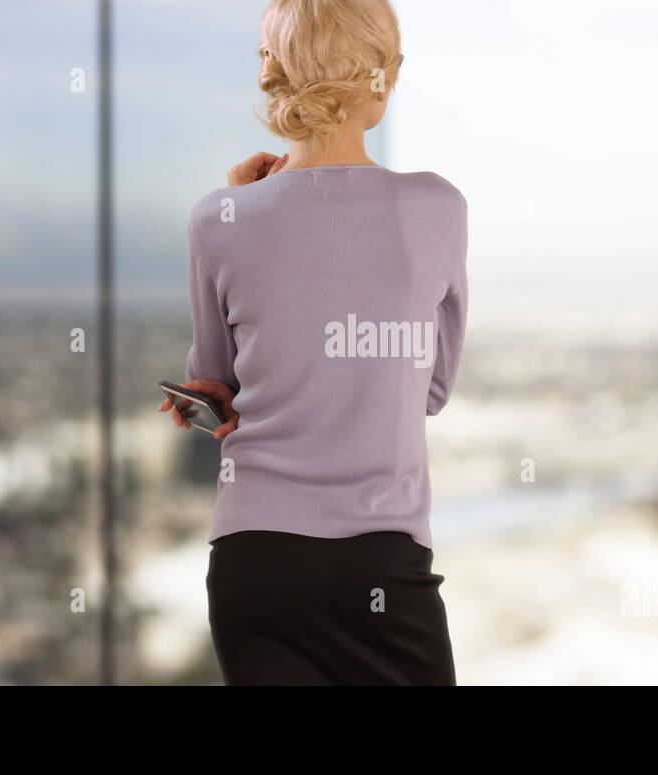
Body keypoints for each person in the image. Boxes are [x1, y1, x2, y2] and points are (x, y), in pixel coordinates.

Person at [159, 0, 468, 685]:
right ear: (382, 77)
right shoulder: (438, 208)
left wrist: (245, 207)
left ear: (275, 73)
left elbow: (215, 389)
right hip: (379, 565)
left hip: (253, 566)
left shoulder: (217, 218)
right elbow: (434, 389)